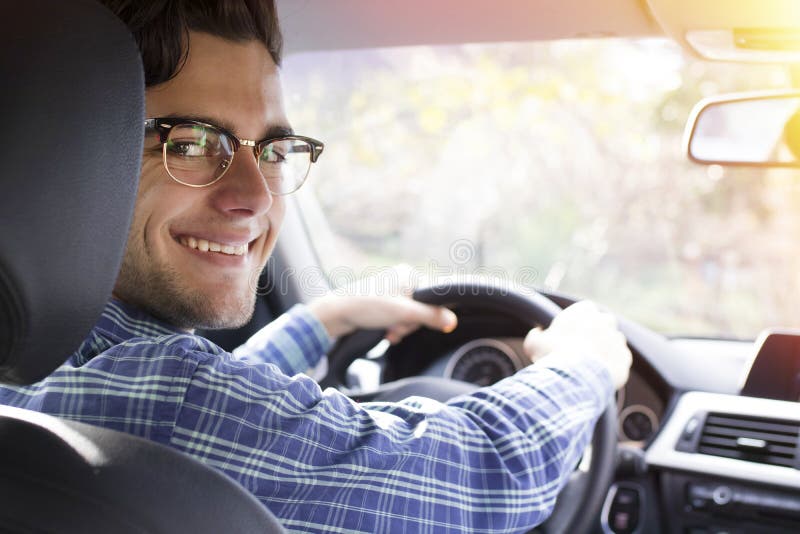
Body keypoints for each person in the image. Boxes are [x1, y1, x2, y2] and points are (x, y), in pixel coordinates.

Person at [0, 1, 632, 532]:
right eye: (191, 143)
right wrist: (585, 364)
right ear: (79, 152)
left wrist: (323, 320)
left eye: (272, 148)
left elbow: (189, 412)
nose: (254, 195)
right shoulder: (183, 405)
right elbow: (489, 474)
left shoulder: (44, 377)